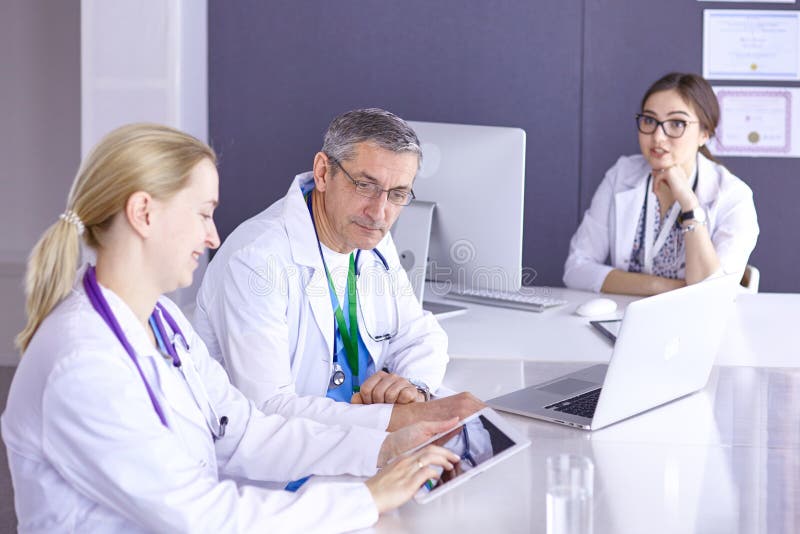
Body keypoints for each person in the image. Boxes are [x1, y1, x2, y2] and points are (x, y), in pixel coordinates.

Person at [0, 123, 461, 533]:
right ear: (144, 213)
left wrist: (383, 448)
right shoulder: (85, 365)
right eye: (203, 214)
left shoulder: (162, 320)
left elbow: (244, 431)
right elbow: (201, 516)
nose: (213, 237)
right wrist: (367, 498)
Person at [194, 108, 482, 432]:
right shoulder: (255, 260)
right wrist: (404, 417)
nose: (379, 212)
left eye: (397, 194)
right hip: (284, 454)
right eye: (365, 185)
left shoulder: (369, 238)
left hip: (358, 438)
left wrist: (413, 388)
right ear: (322, 172)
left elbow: (419, 335)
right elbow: (268, 408)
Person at [563, 72, 759, 295]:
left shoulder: (734, 196)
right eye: (649, 120)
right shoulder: (621, 174)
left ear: (704, 133)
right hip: (629, 313)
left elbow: (712, 295)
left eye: (677, 123)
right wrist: (661, 287)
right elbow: (576, 268)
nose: (657, 137)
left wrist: (689, 204)